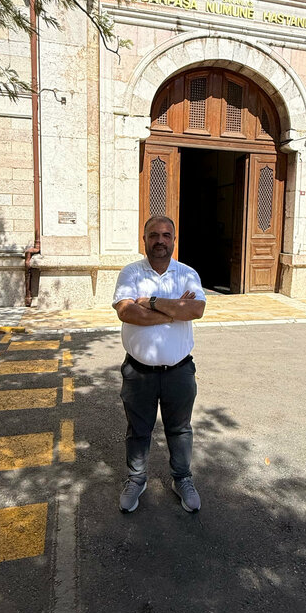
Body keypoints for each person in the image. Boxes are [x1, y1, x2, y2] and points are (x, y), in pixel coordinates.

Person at [112, 215, 207, 513]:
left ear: (174, 240)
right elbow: (127, 313)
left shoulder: (187, 273)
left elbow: (197, 308)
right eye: (154, 235)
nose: (160, 241)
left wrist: (151, 302)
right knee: (138, 430)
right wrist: (175, 309)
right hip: (138, 372)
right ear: (144, 240)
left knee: (179, 430)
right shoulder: (130, 274)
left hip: (179, 372)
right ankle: (136, 479)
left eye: (166, 235)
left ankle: (182, 479)